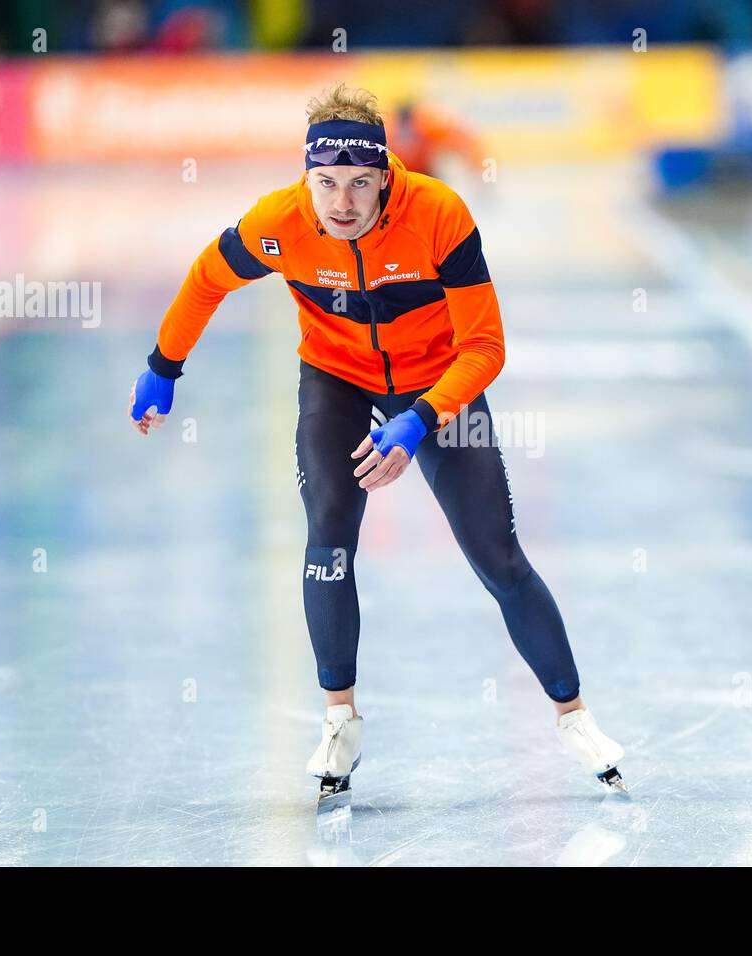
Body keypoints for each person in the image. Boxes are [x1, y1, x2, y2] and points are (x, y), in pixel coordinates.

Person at [127, 84, 626, 796]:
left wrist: (421, 416)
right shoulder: (279, 224)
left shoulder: (438, 214)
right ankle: (340, 720)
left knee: (499, 558)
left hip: (439, 386)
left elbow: (485, 347)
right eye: (325, 183)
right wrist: (162, 367)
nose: (342, 202)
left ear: (387, 175)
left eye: (360, 183)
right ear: (306, 178)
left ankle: (573, 714)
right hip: (335, 380)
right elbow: (208, 279)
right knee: (328, 533)